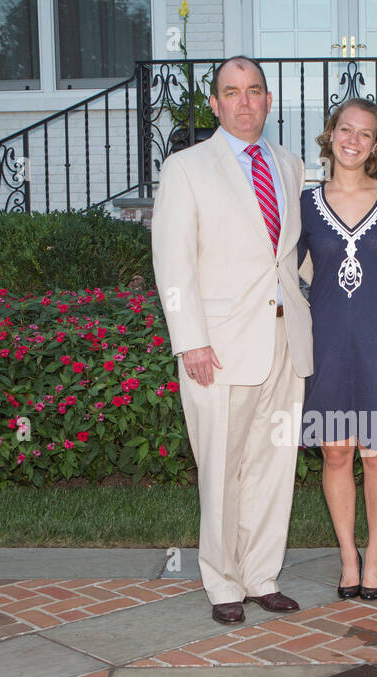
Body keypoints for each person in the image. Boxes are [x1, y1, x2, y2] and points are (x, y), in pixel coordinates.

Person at [152, 56, 313, 625]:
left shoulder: (290, 165)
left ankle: (261, 575)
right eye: (232, 92)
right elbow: (173, 265)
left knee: (273, 466)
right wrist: (189, 340)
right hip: (217, 348)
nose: (245, 102)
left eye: (254, 91)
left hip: (285, 343)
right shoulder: (187, 168)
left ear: (268, 101)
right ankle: (222, 584)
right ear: (215, 105)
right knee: (220, 468)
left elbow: (294, 257)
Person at [298, 99, 377, 601]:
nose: (354, 140)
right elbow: (286, 268)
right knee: (337, 451)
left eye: (366, 134)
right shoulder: (304, 203)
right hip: (326, 344)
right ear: (331, 133)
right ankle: (348, 555)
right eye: (347, 129)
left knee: (376, 452)